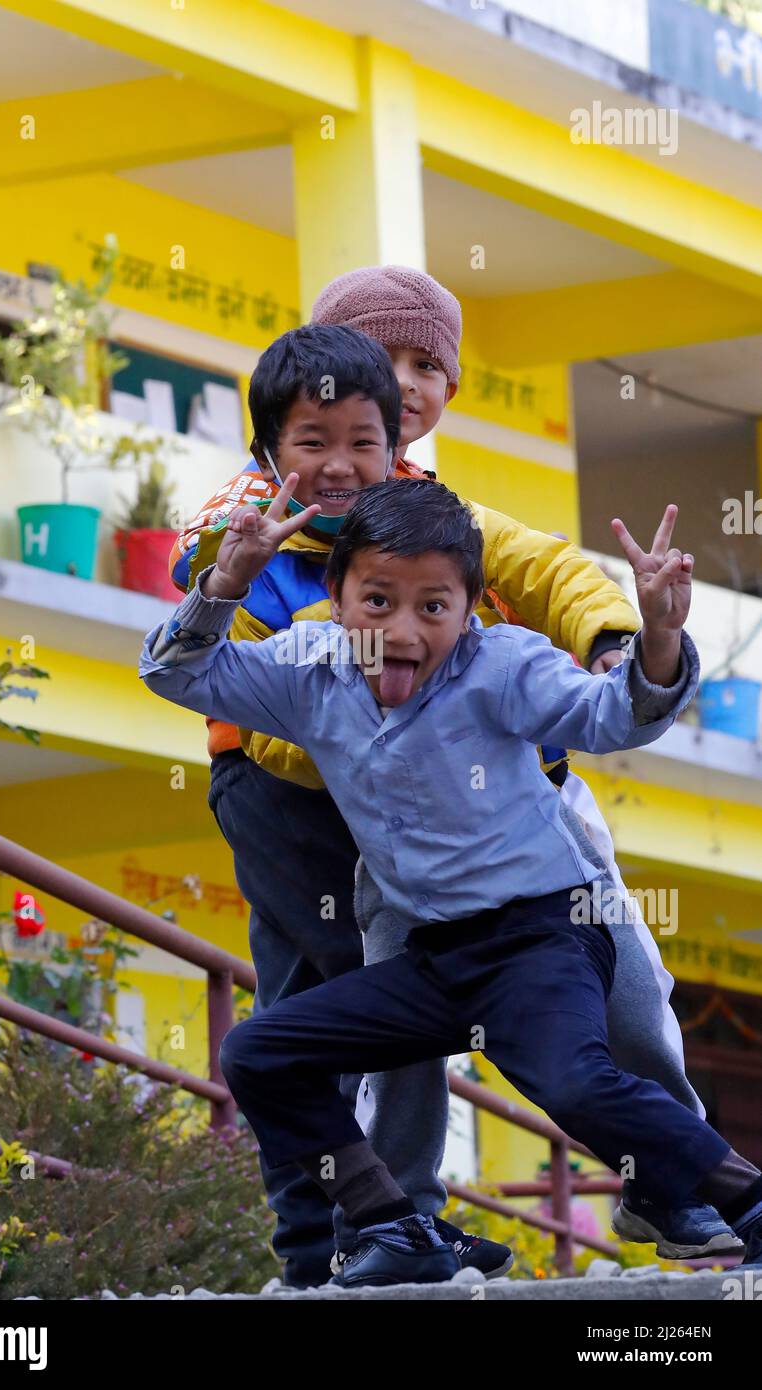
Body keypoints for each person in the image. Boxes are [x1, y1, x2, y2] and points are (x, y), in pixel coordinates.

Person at [168, 278, 728, 1278]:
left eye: (424, 369)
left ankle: (675, 1178)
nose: (401, 387)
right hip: (339, 815)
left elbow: (552, 571)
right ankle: (383, 1221)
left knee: (628, 998)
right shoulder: (259, 523)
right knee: (354, 1014)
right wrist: (339, 705)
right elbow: (212, 668)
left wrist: (621, 637)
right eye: (374, 370)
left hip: (527, 808)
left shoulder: (446, 524)